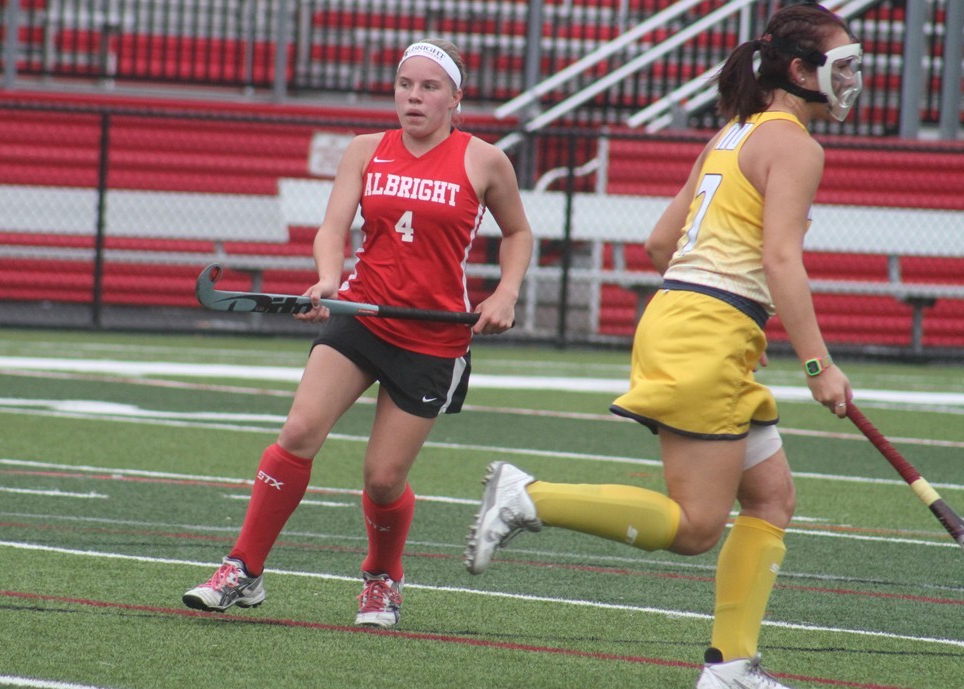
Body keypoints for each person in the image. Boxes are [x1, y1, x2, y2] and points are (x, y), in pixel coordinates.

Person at [464, 4, 859, 688]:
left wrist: (733, 313)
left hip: (690, 318)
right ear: (800, 71)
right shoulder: (796, 145)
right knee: (698, 527)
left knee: (771, 499)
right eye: (843, 67)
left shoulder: (732, 134)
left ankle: (729, 668)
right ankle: (529, 497)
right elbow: (781, 260)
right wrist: (817, 364)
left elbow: (658, 244)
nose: (852, 81)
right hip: (707, 330)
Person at [183, 37, 534, 628]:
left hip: (432, 339)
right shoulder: (366, 149)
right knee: (299, 431)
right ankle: (242, 568)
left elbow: (519, 233)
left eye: (429, 87)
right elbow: (333, 226)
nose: (414, 96)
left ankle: (382, 579)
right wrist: (327, 280)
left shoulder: (484, 160)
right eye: (405, 84)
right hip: (361, 315)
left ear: (455, 98)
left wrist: (506, 293)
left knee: (383, 478)